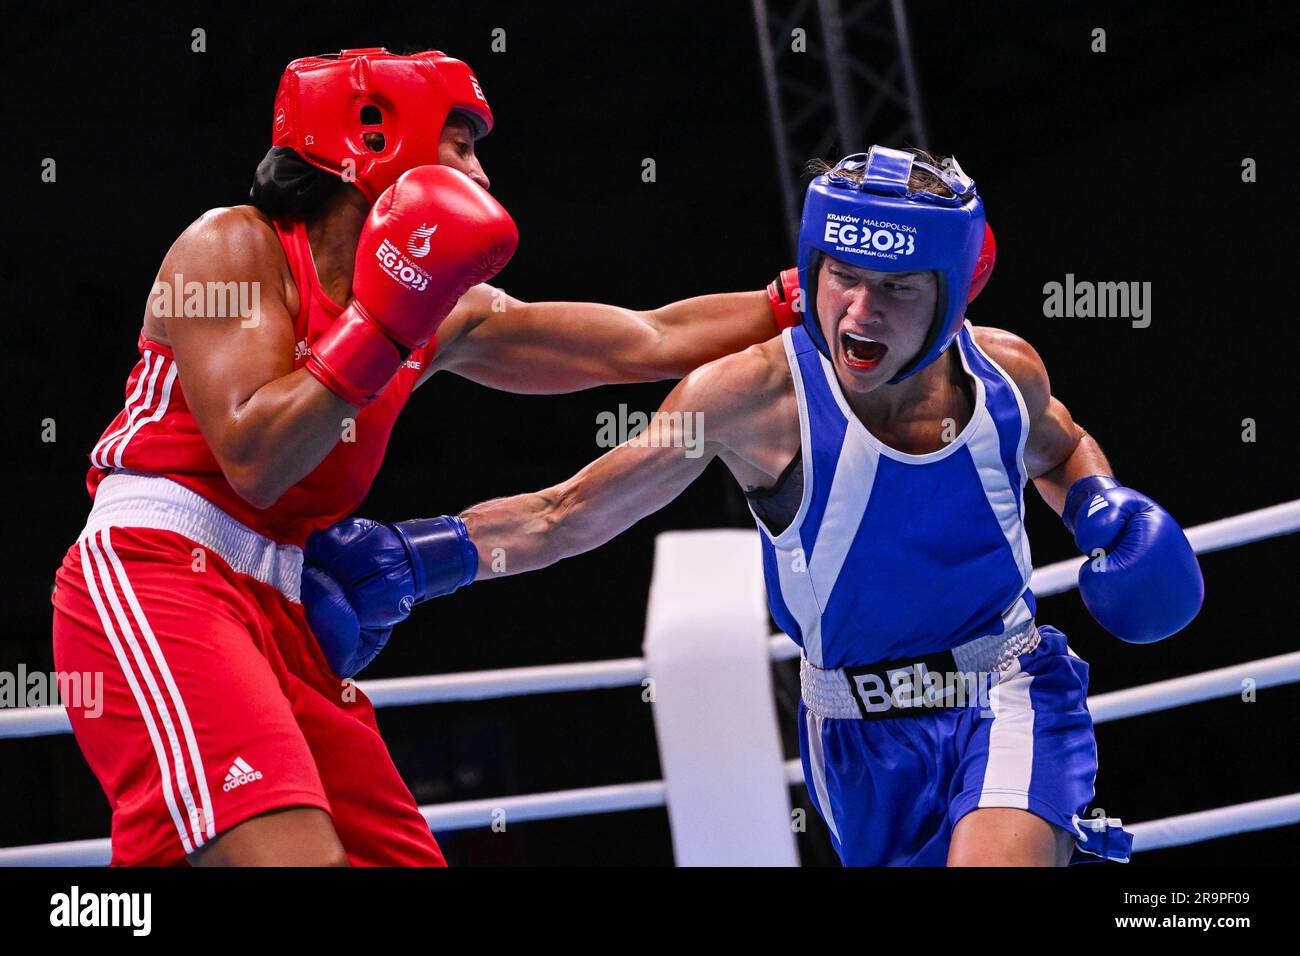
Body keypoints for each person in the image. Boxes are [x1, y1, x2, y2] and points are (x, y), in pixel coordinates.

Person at [304, 146, 1204, 866]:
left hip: (1004, 689)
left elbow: (1062, 448)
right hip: (852, 740)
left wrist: (1100, 508)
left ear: (948, 295)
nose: (858, 310)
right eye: (842, 275)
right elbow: (566, 513)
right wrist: (422, 558)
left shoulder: (1006, 372)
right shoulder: (749, 399)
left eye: (896, 288)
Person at [50, 46, 824, 867]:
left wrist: (803, 300)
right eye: (460, 145)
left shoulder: (444, 312)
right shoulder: (232, 249)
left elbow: (647, 338)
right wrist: (384, 322)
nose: (482, 176)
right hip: (156, 571)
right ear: (374, 137)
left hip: (281, 603)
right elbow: (255, 455)